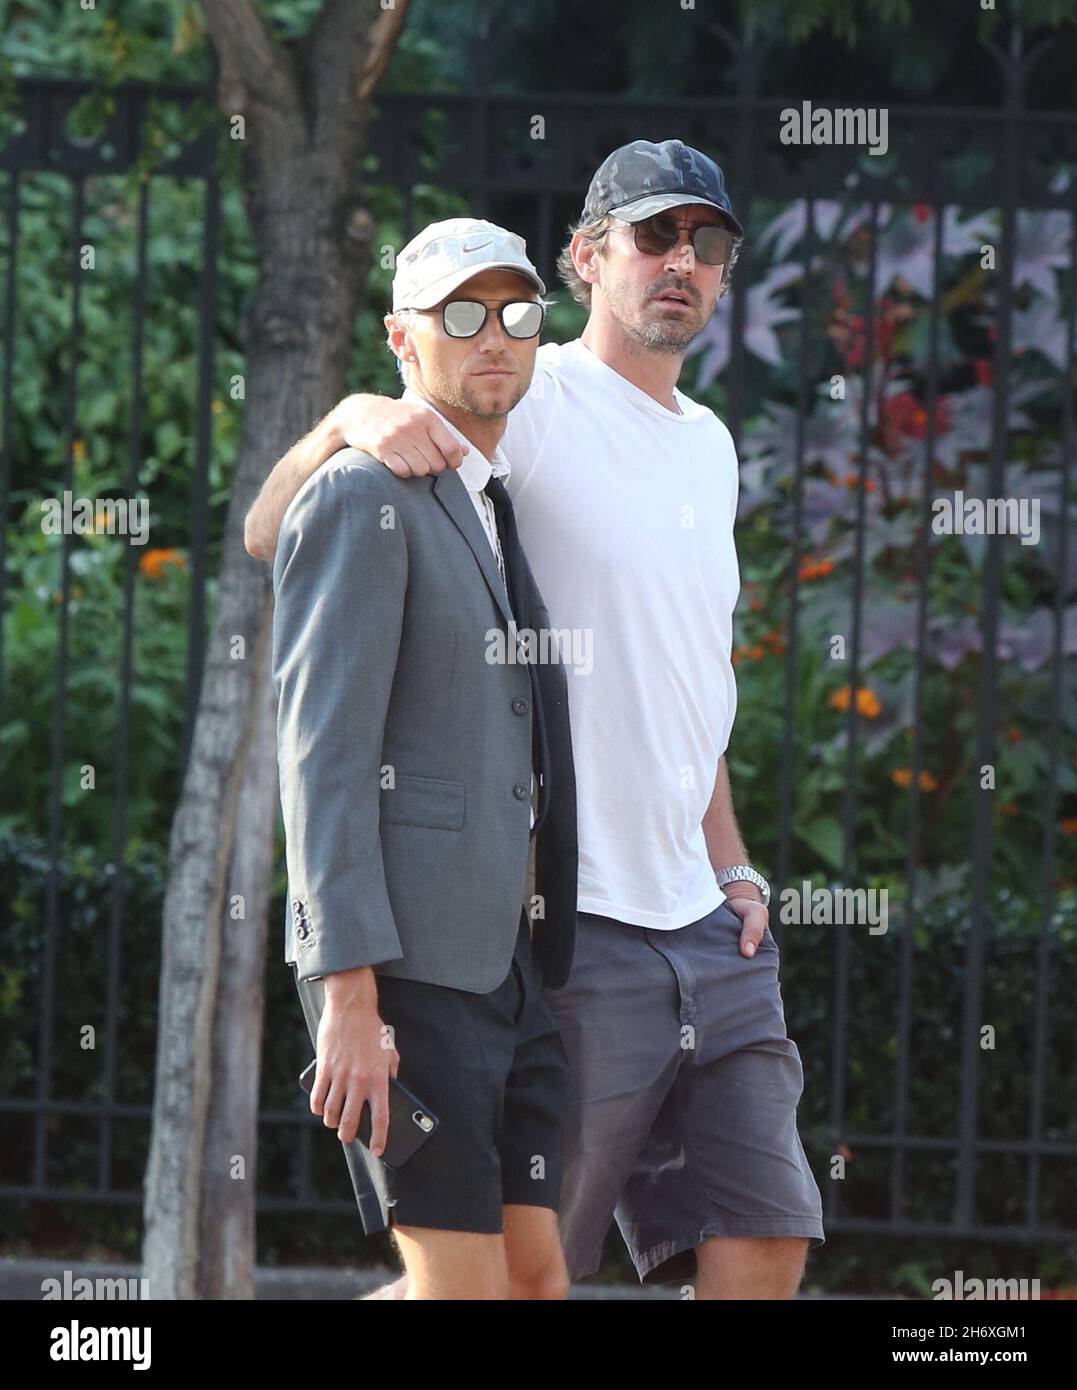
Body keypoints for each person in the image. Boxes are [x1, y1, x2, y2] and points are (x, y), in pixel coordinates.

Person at [254, 140, 825, 1298]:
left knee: (766, 1233)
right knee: (502, 1283)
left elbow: (691, 680)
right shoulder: (530, 386)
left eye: (707, 243)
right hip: (571, 925)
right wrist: (350, 418)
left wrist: (736, 867)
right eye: (653, 235)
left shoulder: (709, 446)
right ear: (585, 258)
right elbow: (278, 530)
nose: (682, 261)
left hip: (710, 931)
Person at [271, 217, 578, 1300]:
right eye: (461, 313)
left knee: (536, 1283)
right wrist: (345, 991)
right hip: (405, 974)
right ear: (405, 340)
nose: (492, 335)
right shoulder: (363, 494)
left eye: (515, 313)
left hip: (510, 972)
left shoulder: (490, 499)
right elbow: (323, 757)